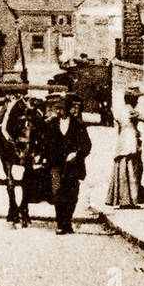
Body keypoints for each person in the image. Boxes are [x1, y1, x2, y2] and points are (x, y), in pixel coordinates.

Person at [44, 97, 92, 234]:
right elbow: (45, 143)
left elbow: (87, 145)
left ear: (67, 110)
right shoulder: (51, 124)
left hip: (73, 166)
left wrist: (76, 154)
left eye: (61, 109)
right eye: (56, 109)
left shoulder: (78, 124)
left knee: (72, 194)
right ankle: (60, 224)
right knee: (57, 192)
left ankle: (68, 223)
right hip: (56, 164)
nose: (58, 111)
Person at [105, 88, 142, 208]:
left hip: (122, 138)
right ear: (133, 99)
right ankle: (130, 199)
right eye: (136, 99)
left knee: (122, 165)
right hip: (130, 137)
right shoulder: (131, 110)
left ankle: (122, 198)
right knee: (131, 166)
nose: (137, 101)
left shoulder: (121, 110)